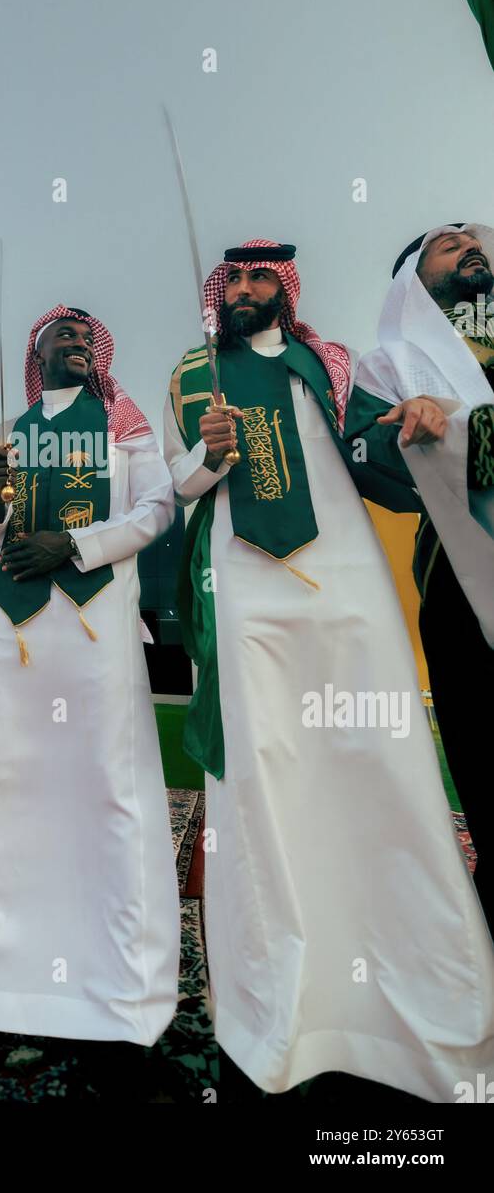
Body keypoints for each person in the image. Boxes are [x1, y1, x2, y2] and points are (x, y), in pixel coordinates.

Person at [164, 239, 494, 1101]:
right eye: (232, 277)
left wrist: (415, 424)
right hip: (246, 587)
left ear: (286, 289)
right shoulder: (196, 373)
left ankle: (417, 983)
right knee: (269, 775)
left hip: (347, 582)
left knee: (380, 761)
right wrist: (207, 454)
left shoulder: (334, 361)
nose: (244, 287)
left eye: (260, 275)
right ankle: (290, 997)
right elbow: (177, 487)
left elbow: (375, 465)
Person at [0, 305, 180, 1045]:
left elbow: (156, 511)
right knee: (2, 788)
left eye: (86, 338)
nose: (76, 344)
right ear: (36, 353)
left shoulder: (124, 424)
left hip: (95, 628)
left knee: (105, 788)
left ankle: (119, 987)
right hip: (13, 636)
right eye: (62, 337)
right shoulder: (5, 435)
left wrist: (71, 546)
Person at [347, 222, 494, 929]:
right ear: (414, 281)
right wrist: (408, 428)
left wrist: (469, 434)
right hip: (463, 577)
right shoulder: (392, 365)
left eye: (474, 235)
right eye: (447, 243)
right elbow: (366, 454)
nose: (469, 241)